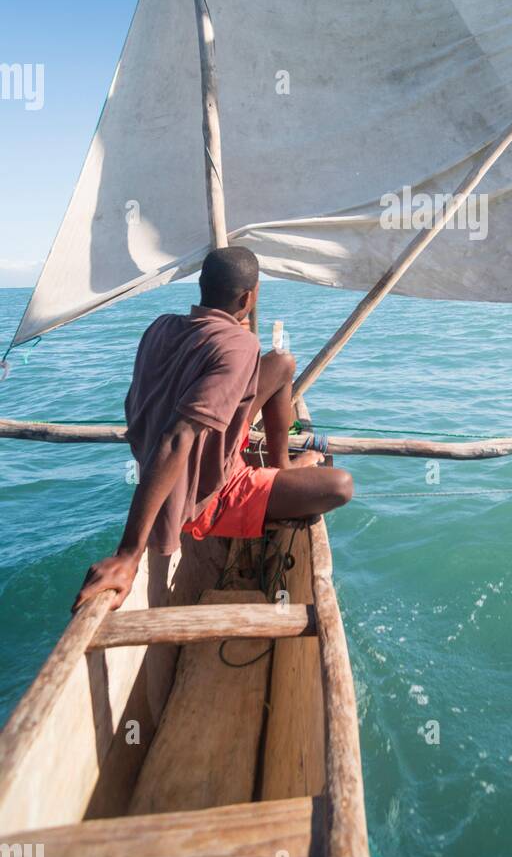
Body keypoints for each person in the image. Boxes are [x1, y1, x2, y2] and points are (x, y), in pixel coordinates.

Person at [72, 246, 352, 612]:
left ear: (201, 286)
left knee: (282, 363)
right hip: (202, 494)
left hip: (179, 455)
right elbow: (176, 438)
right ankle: (266, 479)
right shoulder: (238, 345)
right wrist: (128, 554)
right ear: (248, 297)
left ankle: (280, 466)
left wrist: (238, 339)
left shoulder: (160, 326)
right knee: (340, 485)